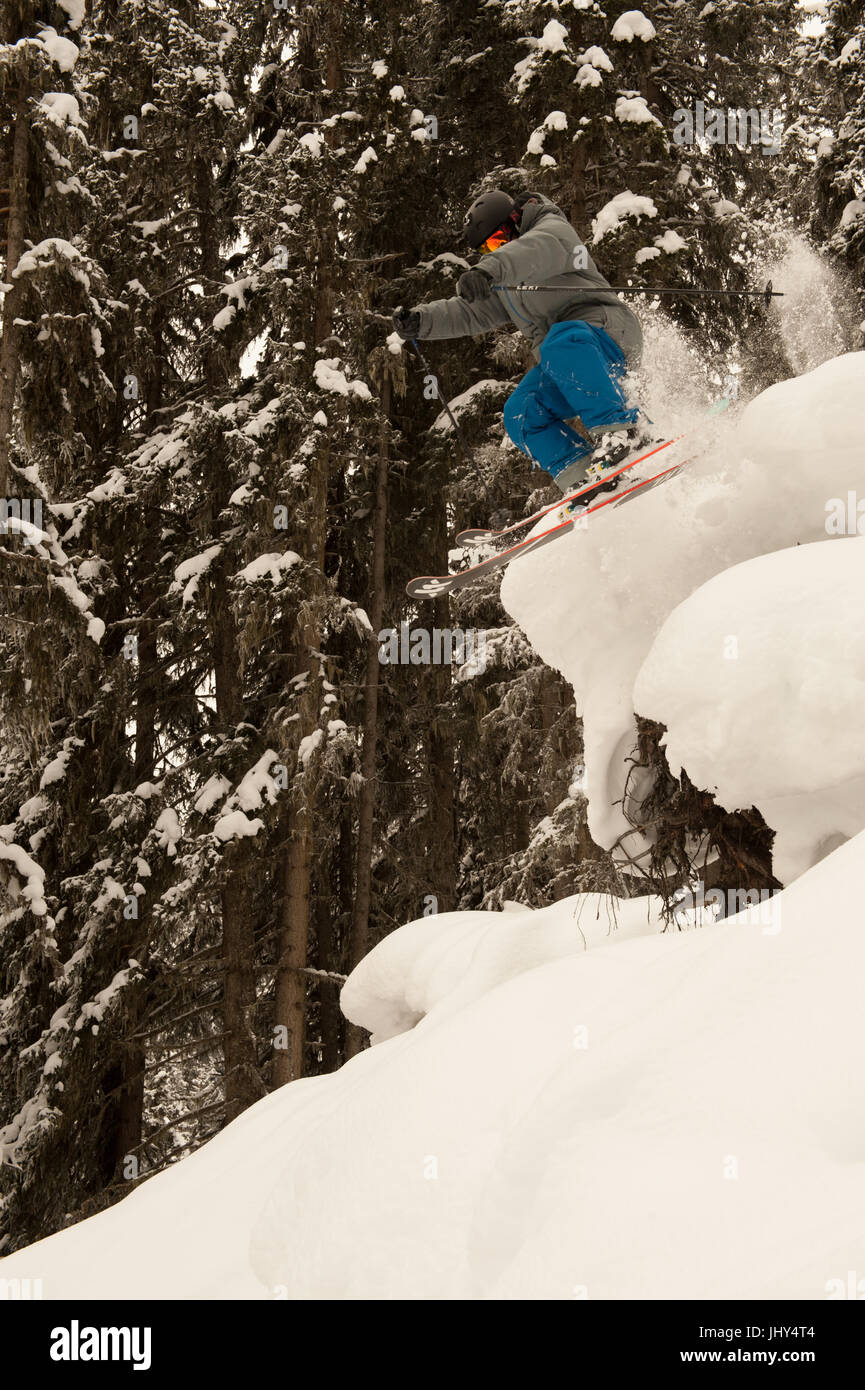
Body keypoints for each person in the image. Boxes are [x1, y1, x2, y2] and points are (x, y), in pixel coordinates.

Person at [393, 188, 647, 495]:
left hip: (606, 335)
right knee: (522, 412)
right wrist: (423, 320)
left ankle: (625, 435)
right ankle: (586, 480)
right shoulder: (509, 279)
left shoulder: (552, 230)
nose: (496, 248)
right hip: (568, 362)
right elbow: (472, 312)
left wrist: (489, 267)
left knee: (560, 340)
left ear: (515, 220)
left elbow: (534, 249)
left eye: (498, 239)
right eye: (488, 248)